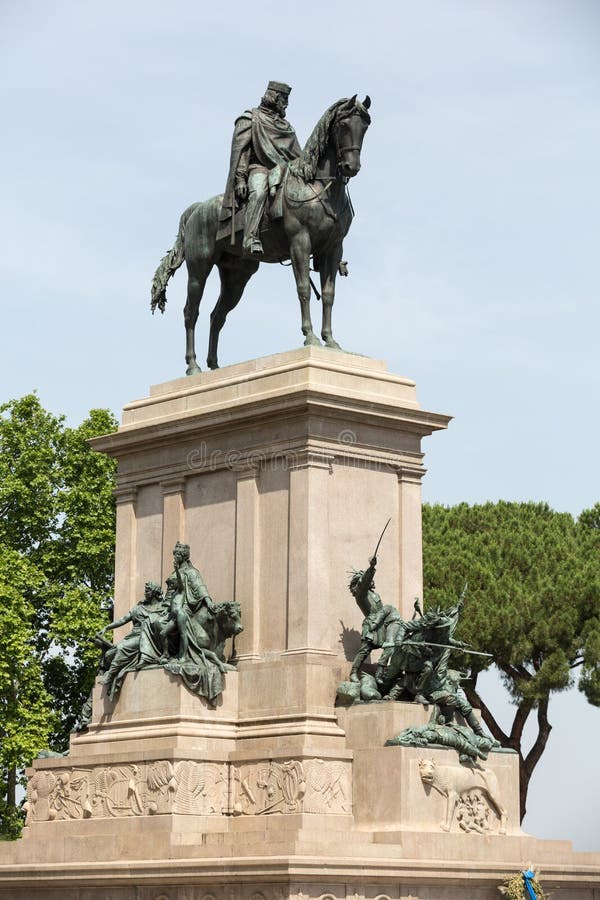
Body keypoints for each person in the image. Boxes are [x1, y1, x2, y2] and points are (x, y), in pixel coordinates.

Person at [223, 80, 302, 255]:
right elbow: (241, 152)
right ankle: (250, 237)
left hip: (285, 172)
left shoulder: (286, 127)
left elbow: (298, 157)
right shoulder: (250, 119)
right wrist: (240, 179)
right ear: (274, 98)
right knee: (259, 193)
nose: (286, 104)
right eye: (284, 100)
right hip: (258, 168)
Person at [97, 581, 166, 699]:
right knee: (109, 654)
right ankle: (112, 672)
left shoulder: (162, 608)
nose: (145, 593)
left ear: (154, 592)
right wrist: (107, 627)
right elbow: (123, 620)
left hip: (148, 637)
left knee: (121, 647)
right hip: (133, 636)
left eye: (148, 591)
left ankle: (110, 674)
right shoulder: (139, 608)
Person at [348, 555, 406, 682]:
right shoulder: (361, 594)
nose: (371, 581)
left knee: (390, 647)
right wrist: (371, 567)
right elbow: (364, 583)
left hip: (381, 624)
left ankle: (381, 671)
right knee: (365, 650)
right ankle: (353, 672)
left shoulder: (375, 595)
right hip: (371, 624)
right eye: (368, 579)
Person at [159, 541, 215, 660]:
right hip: (170, 608)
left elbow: (200, 587)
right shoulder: (174, 573)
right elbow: (170, 594)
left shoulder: (191, 572)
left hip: (183, 609)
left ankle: (182, 655)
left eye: (177, 554)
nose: (175, 557)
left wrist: (208, 601)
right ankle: (165, 653)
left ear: (184, 556)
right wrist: (166, 607)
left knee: (179, 632)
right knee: (153, 622)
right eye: (174, 554)